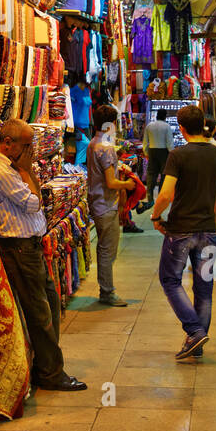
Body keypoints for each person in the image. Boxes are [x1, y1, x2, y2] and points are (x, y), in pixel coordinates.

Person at [0, 119, 87, 391]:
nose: (31, 151)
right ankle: (51, 373)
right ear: (8, 143)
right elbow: (33, 203)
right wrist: (28, 172)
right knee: (39, 312)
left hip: (30, 248)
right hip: (19, 249)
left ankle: (46, 365)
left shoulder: (14, 167)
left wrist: (26, 171)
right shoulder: (1, 171)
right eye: (27, 145)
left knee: (49, 304)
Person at [150, 105, 216, 360]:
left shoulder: (178, 155)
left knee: (170, 280)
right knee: (204, 287)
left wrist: (155, 215)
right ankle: (197, 341)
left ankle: (194, 331)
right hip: (207, 229)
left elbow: (165, 193)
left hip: (181, 229)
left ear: (181, 128)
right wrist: (215, 222)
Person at [86, 104, 136, 307]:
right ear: (111, 124)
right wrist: (127, 184)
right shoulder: (105, 148)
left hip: (98, 202)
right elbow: (111, 183)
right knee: (107, 249)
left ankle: (105, 289)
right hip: (106, 204)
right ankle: (107, 292)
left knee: (104, 248)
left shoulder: (93, 143)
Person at [141, 108, 175, 209]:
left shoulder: (149, 126)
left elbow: (145, 141)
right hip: (164, 152)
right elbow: (169, 142)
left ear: (156, 115)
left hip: (152, 151)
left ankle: (150, 198)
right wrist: (172, 153)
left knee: (151, 174)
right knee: (164, 174)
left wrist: (146, 152)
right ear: (165, 116)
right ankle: (161, 196)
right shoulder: (166, 126)